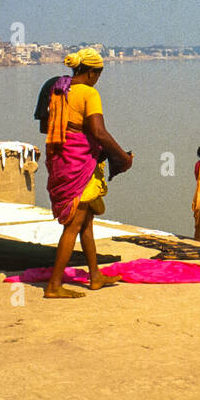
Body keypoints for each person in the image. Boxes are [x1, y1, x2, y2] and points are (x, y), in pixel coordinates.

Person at [40, 48, 133, 298]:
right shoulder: (89, 93)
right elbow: (97, 131)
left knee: (86, 223)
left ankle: (95, 276)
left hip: (63, 160)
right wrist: (122, 157)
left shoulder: (58, 88)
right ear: (92, 73)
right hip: (78, 165)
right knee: (73, 225)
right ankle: (54, 285)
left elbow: (45, 124)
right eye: (99, 74)